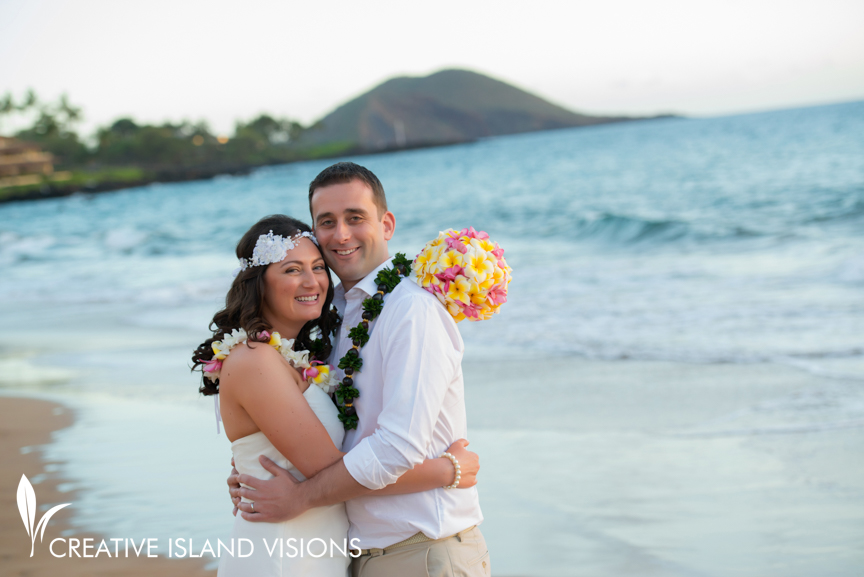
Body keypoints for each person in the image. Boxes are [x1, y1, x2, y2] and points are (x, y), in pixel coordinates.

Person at [228, 163, 491, 577]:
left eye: (355, 218)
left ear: (386, 224)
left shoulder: (411, 310)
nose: (341, 235)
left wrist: (301, 496)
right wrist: (254, 468)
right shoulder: (334, 316)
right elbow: (327, 438)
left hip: (423, 549)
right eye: (327, 222)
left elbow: (398, 447)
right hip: (360, 552)